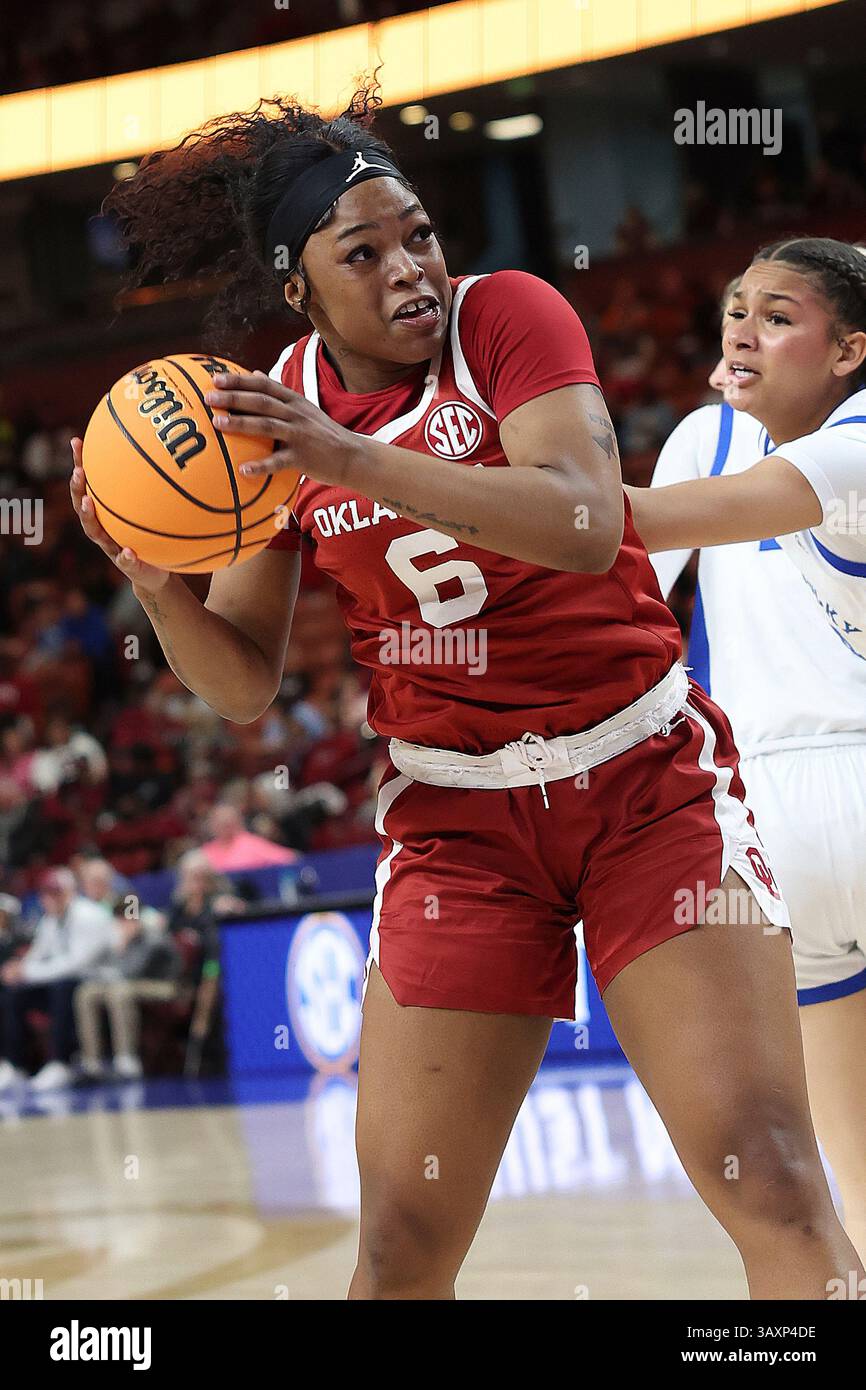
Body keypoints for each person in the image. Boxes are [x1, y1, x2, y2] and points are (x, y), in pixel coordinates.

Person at [68, 83, 863, 1299]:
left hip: (645, 783)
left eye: (420, 235)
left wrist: (345, 457)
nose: (409, 269)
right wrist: (158, 587)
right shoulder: (265, 419)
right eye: (364, 252)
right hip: (458, 828)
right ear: (300, 289)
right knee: (399, 1246)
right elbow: (240, 685)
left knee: (768, 1176)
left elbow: (590, 524)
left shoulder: (507, 316)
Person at [631, 237, 866, 1258]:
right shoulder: (700, 437)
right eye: (735, 307)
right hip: (768, 809)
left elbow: (605, 523)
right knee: (845, 1178)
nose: (740, 326)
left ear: (847, 350)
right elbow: (626, 587)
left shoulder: (854, 442)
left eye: (776, 315)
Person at [0, 866, 114, 1091]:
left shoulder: (90, 915)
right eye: (46, 893)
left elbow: (76, 964)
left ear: (70, 892)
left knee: (62, 988)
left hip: (95, 980)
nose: (50, 899)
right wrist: (19, 969)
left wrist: (28, 972)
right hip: (60, 981)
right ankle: (14, 1063)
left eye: (56, 893)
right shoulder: (49, 921)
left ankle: (60, 1062)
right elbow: (38, 954)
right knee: (14, 993)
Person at [74, 896, 181, 1081]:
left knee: (119, 992)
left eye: (128, 917)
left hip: (165, 985)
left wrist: (123, 946)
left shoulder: (153, 935)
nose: (124, 922)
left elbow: (132, 971)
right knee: (86, 993)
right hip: (132, 984)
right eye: (120, 918)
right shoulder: (118, 936)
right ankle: (92, 1062)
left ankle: (126, 1060)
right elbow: (104, 968)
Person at [199, 801, 298, 872]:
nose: (225, 826)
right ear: (211, 825)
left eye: (229, 822)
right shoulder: (206, 852)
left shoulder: (252, 844)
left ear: (238, 821)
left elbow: (292, 858)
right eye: (220, 823)